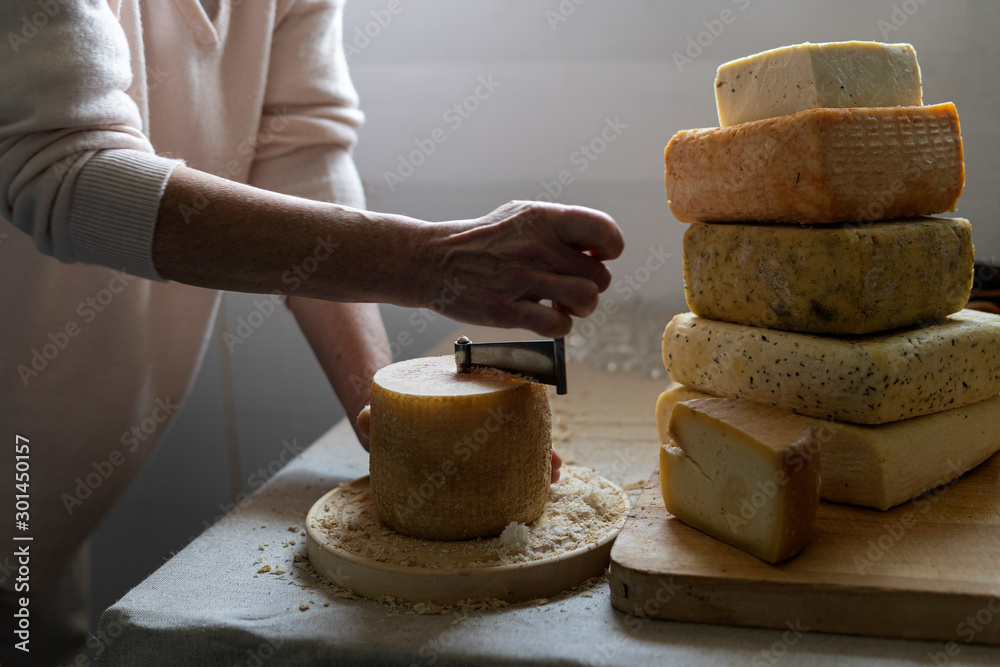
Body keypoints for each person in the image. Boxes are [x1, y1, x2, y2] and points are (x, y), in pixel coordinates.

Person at [0, 0, 623, 662]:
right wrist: (427, 260)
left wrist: (385, 416)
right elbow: (66, 170)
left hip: (46, 507)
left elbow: (300, 153)